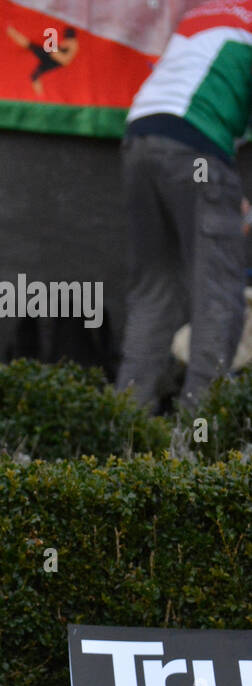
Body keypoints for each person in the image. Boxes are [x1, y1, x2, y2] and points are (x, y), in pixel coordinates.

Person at [116, 0, 252, 414]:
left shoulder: (205, 11)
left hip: (139, 140)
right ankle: (200, 439)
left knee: (155, 290)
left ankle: (125, 425)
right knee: (217, 292)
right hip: (196, 148)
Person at [5, 24, 78, 96]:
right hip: (53, 57)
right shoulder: (70, 43)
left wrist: (53, 49)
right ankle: (40, 96)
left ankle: (40, 97)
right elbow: (62, 56)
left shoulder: (73, 44)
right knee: (30, 48)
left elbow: (64, 60)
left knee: (30, 47)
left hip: (56, 58)